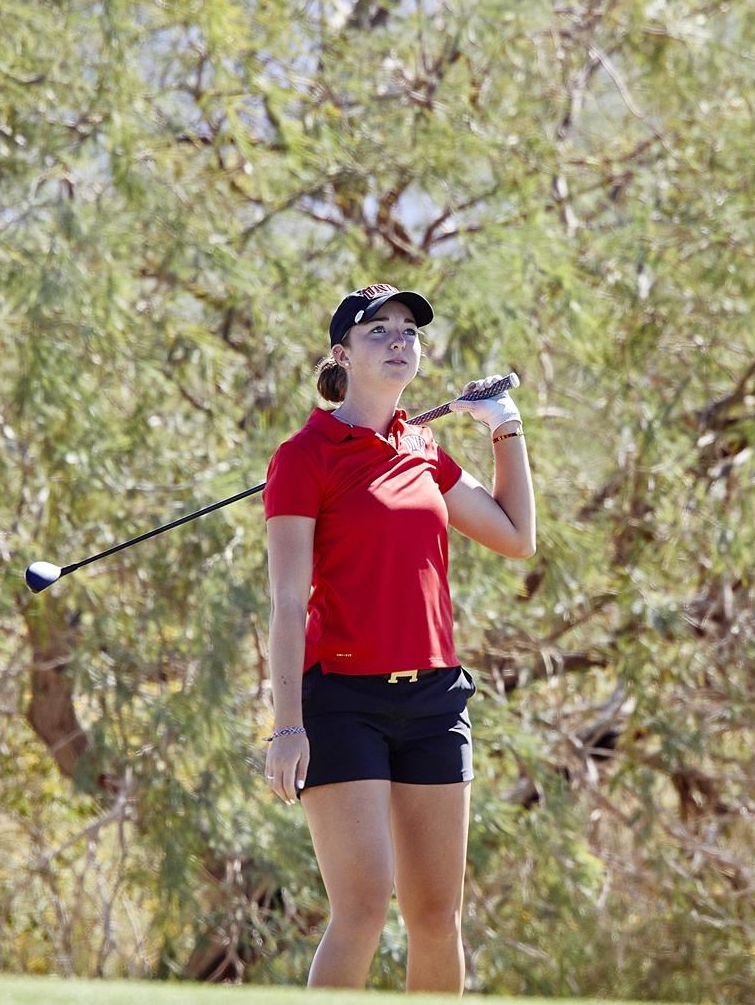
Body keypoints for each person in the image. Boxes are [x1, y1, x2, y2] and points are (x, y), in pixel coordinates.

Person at [260, 283, 535, 993]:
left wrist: (505, 427)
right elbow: (288, 601)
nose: (398, 339)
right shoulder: (305, 455)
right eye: (376, 329)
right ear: (340, 354)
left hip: (436, 701)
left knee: (438, 914)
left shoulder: (423, 446)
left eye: (408, 329)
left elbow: (514, 536)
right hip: (342, 700)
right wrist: (286, 724)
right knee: (362, 906)